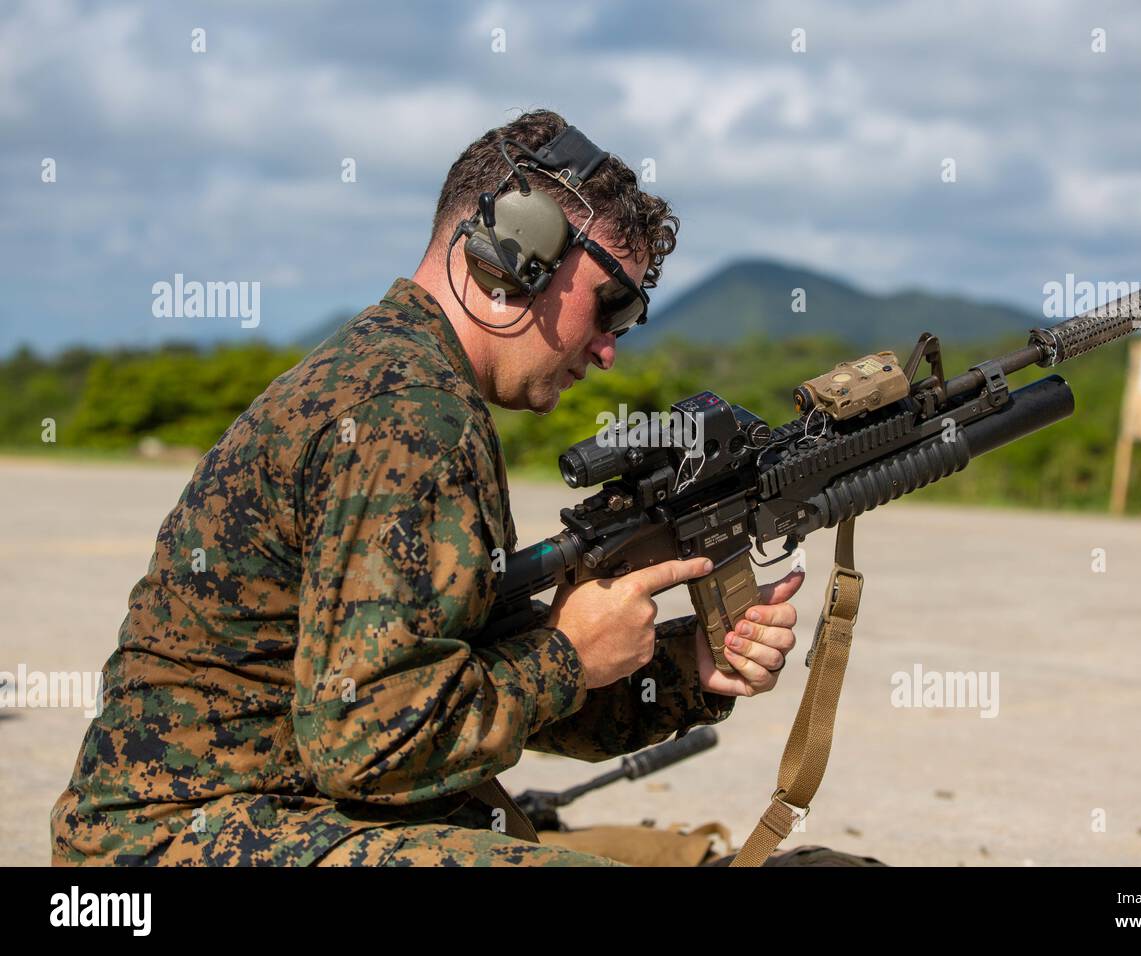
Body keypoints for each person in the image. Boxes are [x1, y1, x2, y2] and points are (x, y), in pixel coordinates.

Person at [50, 109, 804, 866]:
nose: (608, 348)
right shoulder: (408, 415)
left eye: (631, 318)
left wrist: (688, 667)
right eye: (610, 305)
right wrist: (568, 654)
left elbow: (457, 685)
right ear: (518, 252)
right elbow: (370, 741)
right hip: (176, 843)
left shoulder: (403, 376)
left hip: (238, 820)